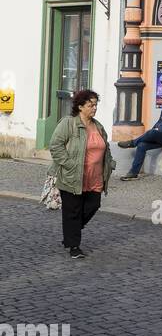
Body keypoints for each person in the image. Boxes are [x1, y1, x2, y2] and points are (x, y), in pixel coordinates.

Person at [49, 88, 115, 260]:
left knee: (93, 205)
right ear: (80, 106)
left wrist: (110, 164)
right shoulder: (68, 123)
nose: (94, 108)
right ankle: (74, 246)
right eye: (90, 105)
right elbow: (55, 145)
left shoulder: (98, 126)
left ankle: (71, 233)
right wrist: (69, 164)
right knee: (73, 211)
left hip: (95, 176)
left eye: (95, 105)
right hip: (72, 176)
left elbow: (105, 148)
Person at [118, 89, 162, 179]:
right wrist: (155, 130)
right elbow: (159, 121)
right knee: (141, 145)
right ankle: (133, 173)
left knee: (152, 133)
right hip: (161, 136)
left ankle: (133, 143)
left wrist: (158, 130)